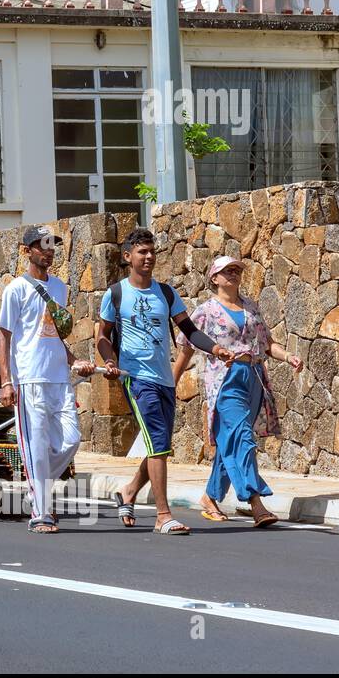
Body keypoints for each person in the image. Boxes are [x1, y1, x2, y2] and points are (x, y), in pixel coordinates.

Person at [97, 227, 234, 536]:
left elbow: (189, 329)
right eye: (142, 252)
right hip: (136, 378)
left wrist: (214, 348)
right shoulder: (116, 294)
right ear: (127, 257)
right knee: (158, 443)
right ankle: (163, 515)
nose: (148, 257)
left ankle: (129, 491)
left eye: (152, 251)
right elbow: (102, 337)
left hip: (164, 380)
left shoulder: (167, 292)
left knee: (159, 446)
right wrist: (110, 361)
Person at [174, 256, 304, 528]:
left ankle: (210, 497)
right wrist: (172, 380)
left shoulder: (251, 308)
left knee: (229, 441)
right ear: (214, 278)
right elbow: (186, 347)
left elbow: (267, 344)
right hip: (225, 378)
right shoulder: (205, 311)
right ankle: (255, 502)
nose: (233, 274)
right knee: (241, 436)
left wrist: (288, 356)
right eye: (227, 271)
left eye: (237, 270)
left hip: (253, 376)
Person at [0, 226, 96, 534]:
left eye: (53, 245)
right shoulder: (16, 290)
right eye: (43, 245)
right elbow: (4, 338)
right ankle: (41, 511)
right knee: (36, 447)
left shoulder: (60, 288)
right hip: (29, 378)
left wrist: (73, 360)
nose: (49, 250)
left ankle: (35, 484)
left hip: (58, 378)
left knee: (71, 439)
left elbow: (53, 334)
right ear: (27, 251)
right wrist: (6, 381)